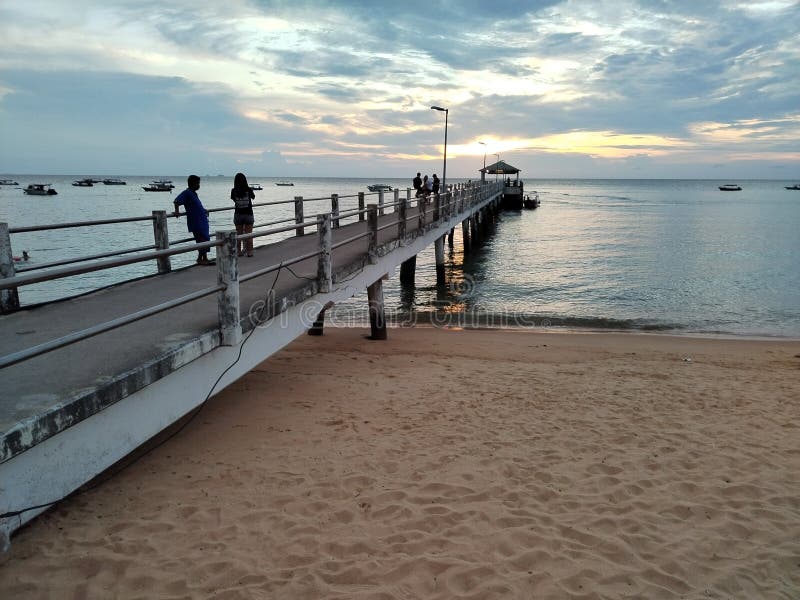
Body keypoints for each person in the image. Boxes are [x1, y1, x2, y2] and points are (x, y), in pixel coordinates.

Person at [173, 175, 213, 265]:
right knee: (201, 239)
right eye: (197, 183)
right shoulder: (187, 193)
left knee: (205, 238)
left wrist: (203, 210)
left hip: (202, 220)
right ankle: (202, 259)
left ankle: (203, 258)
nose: (199, 185)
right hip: (196, 221)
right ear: (192, 183)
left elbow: (196, 205)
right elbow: (176, 201)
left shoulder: (194, 193)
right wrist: (177, 211)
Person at [231, 172, 256, 257]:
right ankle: (250, 252)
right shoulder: (248, 189)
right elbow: (253, 197)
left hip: (238, 214)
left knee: (239, 235)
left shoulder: (233, 190)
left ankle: (239, 252)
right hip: (248, 214)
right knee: (249, 235)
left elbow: (234, 200)